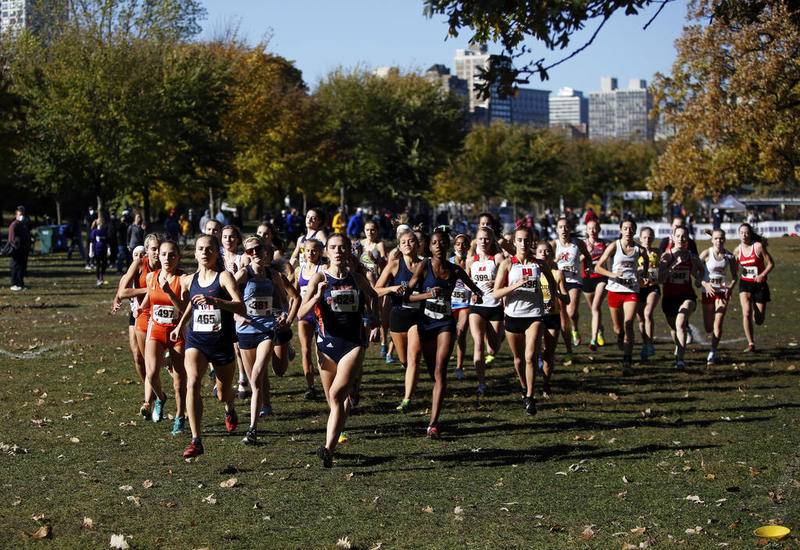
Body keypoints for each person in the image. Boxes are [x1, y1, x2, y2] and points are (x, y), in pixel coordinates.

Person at [298, 233, 378, 467]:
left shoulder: (357, 278)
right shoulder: (319, 277)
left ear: (348, 251)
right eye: (333, 247)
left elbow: (373, 296)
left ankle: (327, 448)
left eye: (342, 247)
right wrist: (316, 295)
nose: (338, 251)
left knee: (336, 395)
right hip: (325, 345)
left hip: (352, 344)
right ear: (326, 251)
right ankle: (334, 441)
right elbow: (302, 312)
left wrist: (374, 320)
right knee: (334, 401)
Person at [173, 234, 245, 458]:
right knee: (193, 382)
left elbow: (240, 307)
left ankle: (230, 409)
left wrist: (217, 302)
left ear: (217, 253)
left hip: (221, 343)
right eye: (200, 249)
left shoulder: (223, 277)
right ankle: (196, 440)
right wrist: (180, 325)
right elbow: (190, 306)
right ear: (195, 253)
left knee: (224, 394)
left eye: (209, 249)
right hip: (196, 341)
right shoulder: (189, 280)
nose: (205, 252)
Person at [406, 229, 483, 436]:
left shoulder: (455, 270)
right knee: (433, 371)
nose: (438, 245)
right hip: (426, 323)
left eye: (442, 242)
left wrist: (477, 295)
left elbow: (475, 288)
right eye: (434, 243)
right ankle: (436, 398)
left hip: (446, 324)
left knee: (440, 371)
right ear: (429, 247)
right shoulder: (424, 266)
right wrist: (427, 294)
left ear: (446, 246)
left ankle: (433, 423)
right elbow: (407, 297)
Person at [236, 235, 300, 444]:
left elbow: (289, 299)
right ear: (246, 254)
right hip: (245, 331)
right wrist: (236, 314)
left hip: (266, 329)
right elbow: (226, 295)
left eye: (257, 249)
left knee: (256, 377)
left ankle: (252, 429)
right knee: (256, 377)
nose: (254, 254)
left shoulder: (274, 275)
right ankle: (262, 410)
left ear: (265, 251)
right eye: (249, 251)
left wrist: (285, 316)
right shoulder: (243, 275)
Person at [494, 227, 560, 414]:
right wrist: (515, 285)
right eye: (519, 240)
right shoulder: (507, 264)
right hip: (513, 316)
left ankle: (531, 397)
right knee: (518, 359)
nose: (523, 243)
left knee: (531, 356)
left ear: (532, 242)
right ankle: (524, 387)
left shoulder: (539, 264)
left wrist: (550, 299)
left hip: (535, 316)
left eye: (526, 240)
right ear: (514, 242)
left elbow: (552, 283)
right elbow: (496, 293)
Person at [375, 228, 423, 412]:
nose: (408, 245)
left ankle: (407, 399)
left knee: (413, 358)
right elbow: (376, 289)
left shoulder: (425, 265)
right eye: (404, 242)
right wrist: (392, 288)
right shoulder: (394, 265)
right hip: (397, 316)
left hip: (418, 316)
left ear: (418, 244)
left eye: (411, 241)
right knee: (404, 360)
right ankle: (411, 381)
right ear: (399, 246)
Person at [140, 240, 187, 425]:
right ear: (158, 256)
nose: (167, 258)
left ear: (178, 257)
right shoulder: (152, 277)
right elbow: (149, 300)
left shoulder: (183, 279)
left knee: (178, 379)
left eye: (172, 254)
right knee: (151, 375)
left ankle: (180, 416)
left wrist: (170, 293)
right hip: (156, 330)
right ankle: (160, 397)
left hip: (177, 333)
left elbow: (185, 308)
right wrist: (139, 309)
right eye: (164, 254)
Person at [113, 234, 161, 413]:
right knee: (139, 357)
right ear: (146, 250)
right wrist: (147, 290)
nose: (157, 253)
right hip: (139, 313)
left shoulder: (167, 263)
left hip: (162, 316)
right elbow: (123, 290)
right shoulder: (140, 263)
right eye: (153, 249)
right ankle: (153, 395)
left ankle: (180, 405)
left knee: (168, 364)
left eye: (159, 248)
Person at [592, 219, 647, 375]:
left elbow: (646, 263)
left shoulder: (639, 249)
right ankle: (620, 335)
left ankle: (627, 359)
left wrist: (642, 274)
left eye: (631, 228)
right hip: (614, 290)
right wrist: (614, 275)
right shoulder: (614, 246)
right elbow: (598, 267)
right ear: (621, 230)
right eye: (625, 228)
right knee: (618, 328)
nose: (628, 231)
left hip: (631, 291)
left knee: (629, 323)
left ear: (635, 231)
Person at [466, 227, 505, 394]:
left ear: (492, 241)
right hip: (477, 307)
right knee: (478, 343)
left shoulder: (497, 258)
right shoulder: (470, 260)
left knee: (493, 348)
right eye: (481, 238)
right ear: (476, 240)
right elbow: (466, 280)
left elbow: (508, 276)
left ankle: (489, 328)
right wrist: (472, 292)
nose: (483, 242)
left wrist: (495, 281)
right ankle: (481, 383)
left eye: (487, 239)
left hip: (495, 306)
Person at [659, 226, 703, 370]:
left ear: (687, 239)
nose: (681, 239)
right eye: (678, 236)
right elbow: (660, 279)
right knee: (674, 328)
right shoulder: (666, 256)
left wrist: (699, 279)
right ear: (672, 238)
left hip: (687, 296)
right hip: (669, 298)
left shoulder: (691, 257)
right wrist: (672, 267)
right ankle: (679, 346)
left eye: (684, 236)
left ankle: (680, 360)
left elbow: (701, 271)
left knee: (681, 322)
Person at [535, 241, 569, 398]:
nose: (544, 253)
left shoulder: (558, 273)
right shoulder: (532, 271)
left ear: (552, 254)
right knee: (533, 352)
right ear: (536, 254)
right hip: (534, 316)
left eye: (547, 251)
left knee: (549, 353)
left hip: (553, 316)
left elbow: (567, 299)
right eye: (540, 251)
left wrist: (556, 295)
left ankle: (546, 384)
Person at [552, 217, 592, 351]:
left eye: (566, 227)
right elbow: (545, 261)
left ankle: (575, 328)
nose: (563, 229)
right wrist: (554, 261)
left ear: (570, 229)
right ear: (557, 230)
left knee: (572, 312)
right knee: (563, 315)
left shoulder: (578, 243)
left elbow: (587, 255)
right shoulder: (553, 244)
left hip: (574, 281)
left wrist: (588, 267)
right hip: (558, 282)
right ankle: (569, 345)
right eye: (561, 227)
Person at [734, 223, 774, 352]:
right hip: (745, 284)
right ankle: (751, 344)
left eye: (746, 232)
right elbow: (732, 267)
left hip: (759, 285)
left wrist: (762, 275)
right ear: (739, 234)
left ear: (750, 234)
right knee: (746, 312)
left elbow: (771, 263)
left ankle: (755, 315)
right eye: (742, 233)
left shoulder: (758, 247)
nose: (744, 235)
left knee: (759, 320)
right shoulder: (737, 250)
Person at [700, 229, 738, 365]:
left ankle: (712, 352)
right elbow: (696, 274)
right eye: (716, 238)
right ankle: (712, 348)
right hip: (707, 292)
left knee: (718, 322)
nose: (718, 241)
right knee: (708, 327)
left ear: (724, 240)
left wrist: (730, 287)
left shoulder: (729, 256)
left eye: (721, 238)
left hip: (722, 293)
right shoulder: (706, 253)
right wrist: (705, 283)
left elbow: (735, 277)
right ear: (712, 240)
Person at [295, 239, 325, 400]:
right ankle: (310, 386)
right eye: (308, 250)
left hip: (320, 314)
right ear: (303, 252)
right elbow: (294, 293)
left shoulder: (324, 269)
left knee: (320, 351)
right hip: (305, 315)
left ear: (320, 252)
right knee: (305, 350)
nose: (311, 253)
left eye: (314, 250)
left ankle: (327, 381)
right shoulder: (299, 270)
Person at [582, 219, 608, 353]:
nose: (592, 231)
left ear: (599, 229)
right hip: (587, 279)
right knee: (593, 308)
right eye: (590, 228)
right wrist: (586, 253)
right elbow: (577, 260)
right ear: (586, 230)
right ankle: (599, 329)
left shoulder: (604, 244)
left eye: (595, 228)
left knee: (596, 307)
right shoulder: (582, 244)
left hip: (601, 279)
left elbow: (608, 261)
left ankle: (593, 340)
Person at [636, 227, 660, 361]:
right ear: (640, 239)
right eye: (644, 237)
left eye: (650, 237)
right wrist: (639, 271)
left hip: (653, 287)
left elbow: (663, 267)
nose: (647, 240)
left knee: (647, 313)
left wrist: (658, 273)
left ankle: (650, 344)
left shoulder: (658, 252)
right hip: (639, 288)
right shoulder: (636, 252)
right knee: (640, 319)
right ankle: (645, 344)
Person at [450, 234, 472, 380]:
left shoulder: (472, 261)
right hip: (451, 302)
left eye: (464, 244)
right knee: (450, 335)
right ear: (454, 246)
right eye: (458, 244)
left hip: (466, 302)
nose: (460, 247)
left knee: (461, 332)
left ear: (468, 247)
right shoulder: (449, 262)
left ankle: (459, 366)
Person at [7, 206, 30, 291]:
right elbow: (11, 239)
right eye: (20, 214)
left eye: (23, 213)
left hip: (23, 249)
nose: (22, 216)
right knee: (15, 267)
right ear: (16, 215)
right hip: (16, 250)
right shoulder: (14, 224)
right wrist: (15, 248)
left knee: (21, 267)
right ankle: (14, 284)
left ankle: (20, 284)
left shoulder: (23, 225)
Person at [89, 218, 110, 287]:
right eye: (100, 222)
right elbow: (92, 242)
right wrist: (91, 251)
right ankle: (98, 279)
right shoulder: (94, 232)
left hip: (104, 250)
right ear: (97, 223)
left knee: (104, 264)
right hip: (97, 251)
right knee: (98, 265)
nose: (101, 224)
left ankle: (102, 276)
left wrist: (108, 249)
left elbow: (107, 242)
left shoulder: (104, 231)